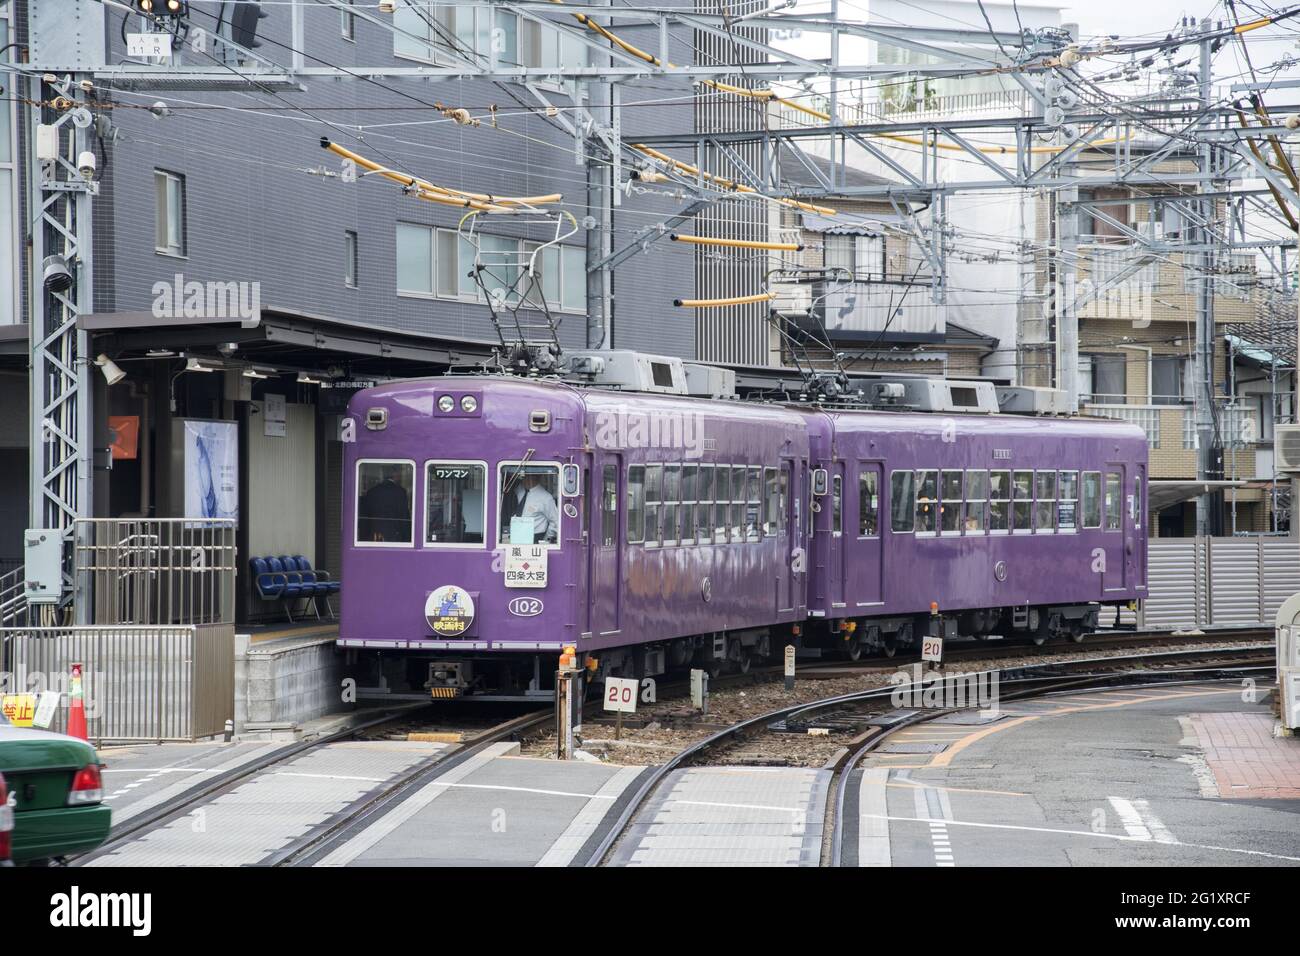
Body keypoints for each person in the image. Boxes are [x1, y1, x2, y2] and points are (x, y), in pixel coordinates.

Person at [360, 465, 411, 542]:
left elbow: (365, 516)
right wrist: (407, 538)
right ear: (395, 474)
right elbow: (404, 516)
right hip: (394, 534)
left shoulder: (372, 491)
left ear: (383, 474)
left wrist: (363, 537)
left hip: (375, 534)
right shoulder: (400, 492)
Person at [521, 472, 559, 543]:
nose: (523, 480)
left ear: (533, 478)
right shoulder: (521, 492)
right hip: (518, 536)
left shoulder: (546, 498)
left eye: (525, 477)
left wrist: (545, 539)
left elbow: (555, 521)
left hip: (535, 538)